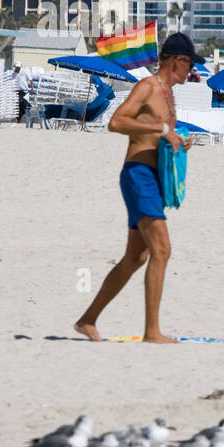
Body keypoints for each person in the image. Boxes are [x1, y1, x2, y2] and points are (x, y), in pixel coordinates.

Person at [74, 33, 201, 344]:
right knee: (162, 249)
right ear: (177, 61)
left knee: (137, 257)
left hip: (155, 178)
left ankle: (87, 320)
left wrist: (178, 140)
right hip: (137, 174)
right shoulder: (147, 87)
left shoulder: (170, 95)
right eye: (190, 64)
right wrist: (161, 130)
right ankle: (152, 332)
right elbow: (116, 122)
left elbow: (161, 135)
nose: (191, 71)